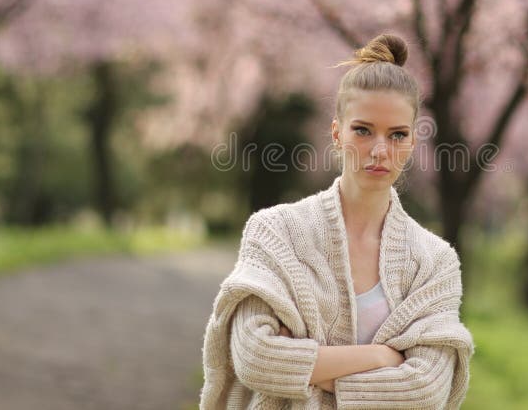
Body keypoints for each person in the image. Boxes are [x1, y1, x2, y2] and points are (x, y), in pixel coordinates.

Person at [199, 33, 474, 409]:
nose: (380, 150)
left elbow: (425, 390)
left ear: (412, 143)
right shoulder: (275, 232)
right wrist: (382, 358)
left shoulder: (435, 261)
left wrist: (307, 368)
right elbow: (255, 358)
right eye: (362, 130)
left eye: (397, 135)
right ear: (336, 132)